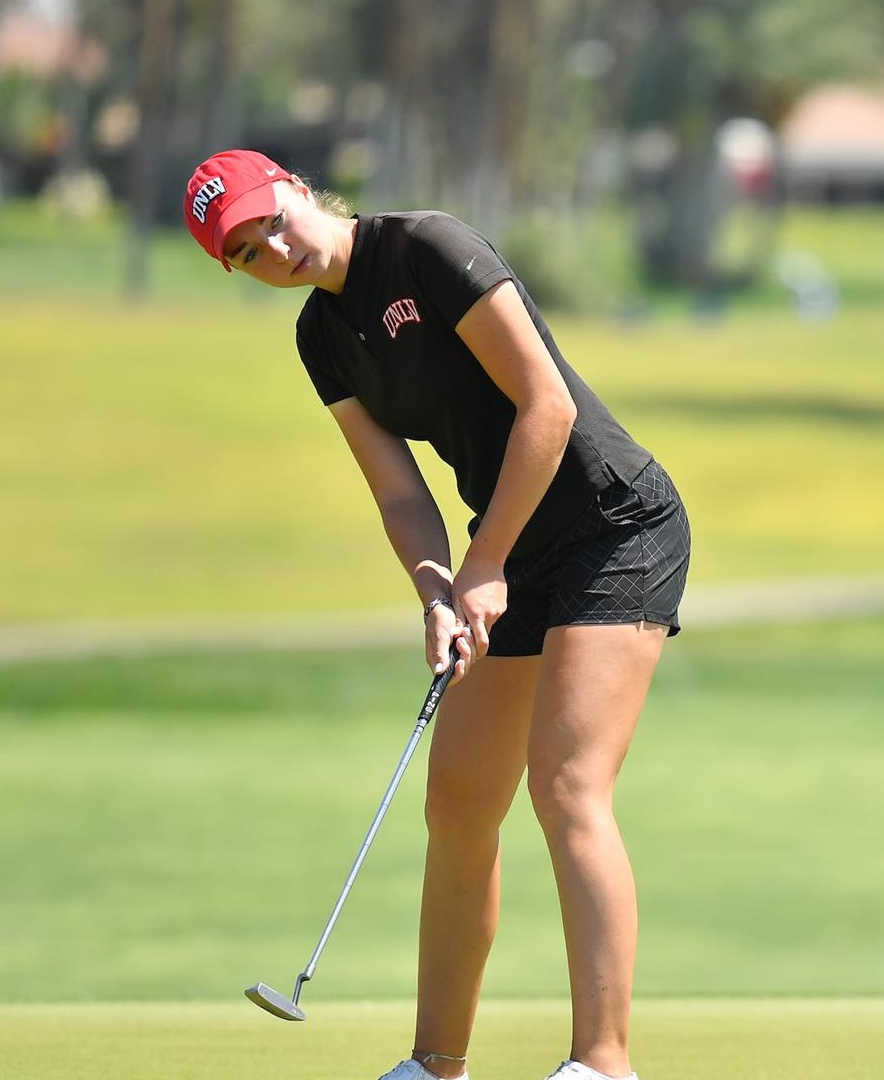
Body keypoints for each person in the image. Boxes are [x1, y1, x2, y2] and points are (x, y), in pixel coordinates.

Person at [184, 149, 689, 1080]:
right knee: (457, 801)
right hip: (509, 544)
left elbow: (547, 408)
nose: (275, 251)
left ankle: (602, 1064)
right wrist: (436, 591)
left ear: (295, 187)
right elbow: (397, 492)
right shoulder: (321, 337)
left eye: (272, 222)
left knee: (566, 785)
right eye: (247, 253)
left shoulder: (425, 248)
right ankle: (435, 1066)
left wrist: (483, 563)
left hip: (613, 524)